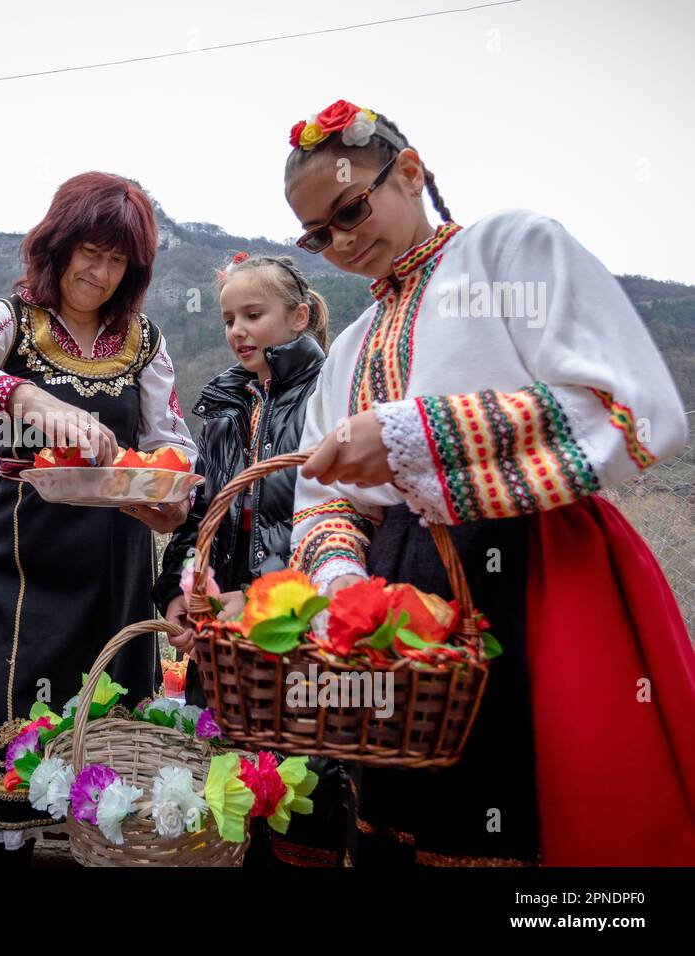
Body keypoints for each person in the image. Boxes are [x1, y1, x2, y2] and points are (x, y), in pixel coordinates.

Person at [283, 99, 694, 865]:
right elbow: (322, 493)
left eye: (350, 210)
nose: (340, 242)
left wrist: (413, 434)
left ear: (408, 171)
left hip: (532, 569)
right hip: (394, 600)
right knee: (403, 816)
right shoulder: (349, 345)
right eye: (318, 234)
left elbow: (635, 408)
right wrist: (344, 586)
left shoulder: (509, 248)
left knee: (543, 808)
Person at [0, 172, 197, 864]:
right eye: (89, 251)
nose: (99, 271)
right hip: (25, 563)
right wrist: (20, 393)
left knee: (110, 726)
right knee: (20, 745)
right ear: (57, 246)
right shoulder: (11, 321)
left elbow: (172, 442)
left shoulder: (143, 342)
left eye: (117, 259)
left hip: (117, 562)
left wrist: (166, 496)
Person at [156, 252, 347, 866]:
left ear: (297, 317)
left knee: (304, 796)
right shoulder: (225, 408)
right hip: (226, 648)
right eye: (228, 319)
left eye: (253, 314)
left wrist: (268, 601)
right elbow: (200, 514)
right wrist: (178, 592)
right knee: (228, 802)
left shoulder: (330, 396)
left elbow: (339, 521)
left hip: (301, 638)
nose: (237, 330)